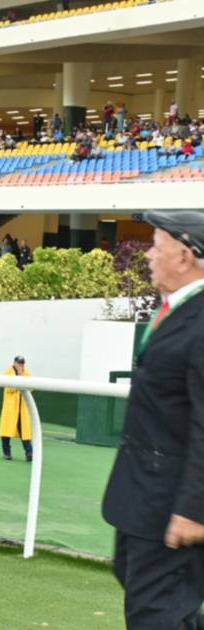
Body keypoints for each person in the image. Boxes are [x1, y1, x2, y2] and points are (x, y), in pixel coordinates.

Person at [101, 210, 204, 629]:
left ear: (184, 256)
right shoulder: (179, 311)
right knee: (147, 591)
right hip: (144, 498)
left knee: (155, 612)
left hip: (173, 505)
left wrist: (195, 510)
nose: (146, 255)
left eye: (156, 246)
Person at [0, 356, 33, 461]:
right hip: (10, 408)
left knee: (25, 432)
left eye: (22, 363)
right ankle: (6, 452)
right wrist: (19, 380)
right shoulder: (8, 372)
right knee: (6, 431)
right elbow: (9, 388)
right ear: (14, 362)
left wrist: (21, 377)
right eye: (18, 363)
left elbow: (31, 387)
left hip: (22, 408)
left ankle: (29, 453)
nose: (20, 365)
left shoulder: (26, 373)